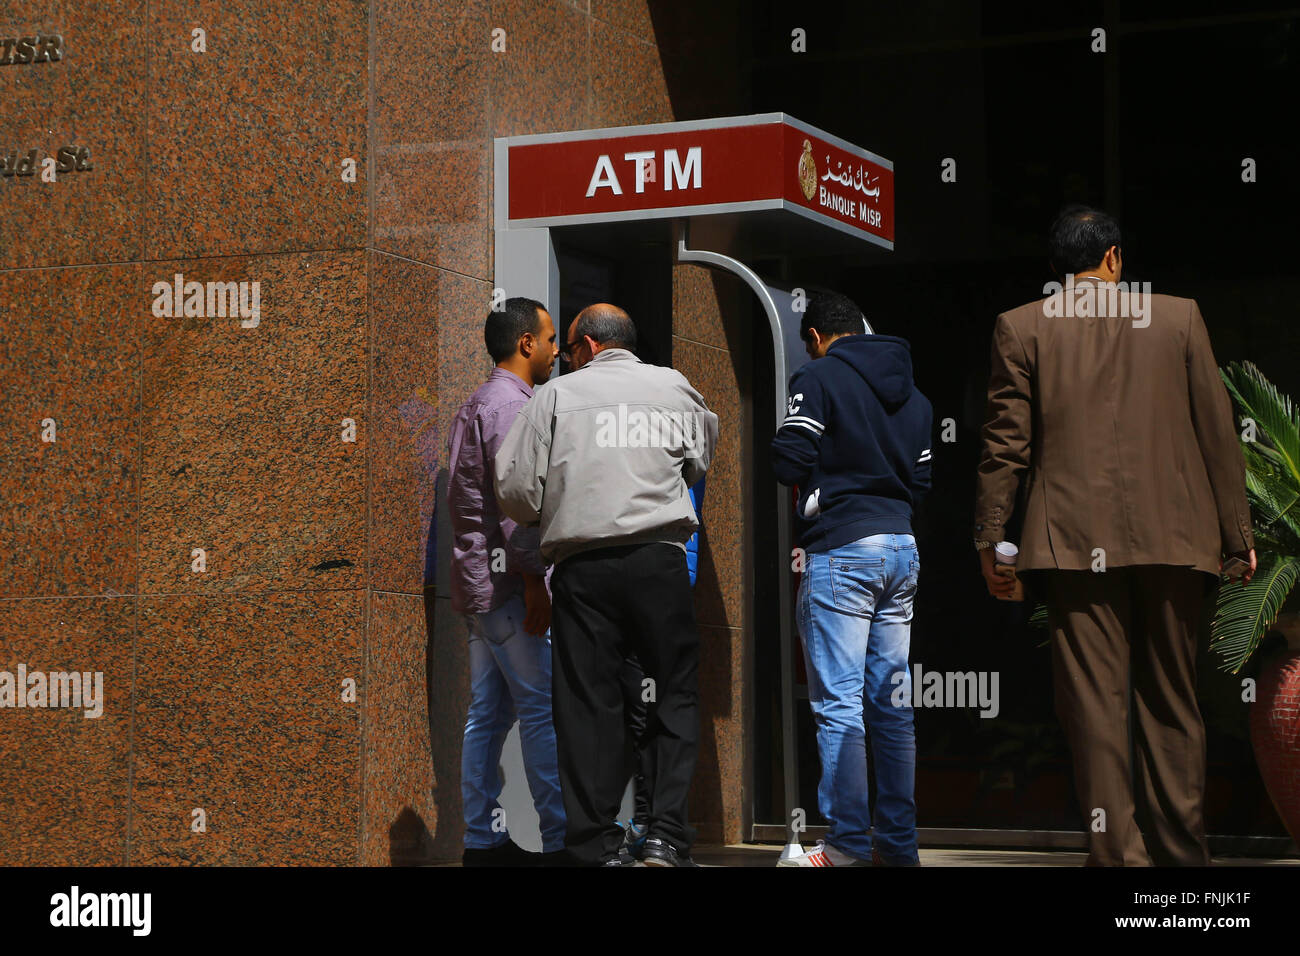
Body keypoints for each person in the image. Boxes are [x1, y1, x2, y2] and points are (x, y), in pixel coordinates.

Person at [974, 205, 1255, 866]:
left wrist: (992, 541)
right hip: (1176, 539)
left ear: (1058, 269)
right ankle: (1183, 868)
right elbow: (1218, 433)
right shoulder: (1179, 317)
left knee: (1095, 716)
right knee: (1173, 707)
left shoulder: (1021, 326)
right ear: (1114, 259)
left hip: (1071, 545)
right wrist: (1237, 534)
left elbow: (1003, 449)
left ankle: (1120, 864)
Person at [494, 303, 719, 867]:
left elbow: (516, 488)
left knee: (586, 706)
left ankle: (595, 846)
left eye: (569, 351)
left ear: (588, 348)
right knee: (674, 693)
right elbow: (700, 460)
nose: (567, 361)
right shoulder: (672, 386)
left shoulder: (554, 398)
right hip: (659, 562)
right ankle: (666, 837)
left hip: (584, 567)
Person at [771, 291, 933, 867]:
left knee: (840, 705)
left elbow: (788, 460)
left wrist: (816, 484)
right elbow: (921, 484)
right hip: (901, 546)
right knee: (892, 704)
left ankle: (842, 845)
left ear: (814, 337)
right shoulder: (914, 395)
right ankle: (897, 847)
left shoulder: (816, 378)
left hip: (842, 548)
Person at [447, 296, 565, 866]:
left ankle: (482, 840)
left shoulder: (478, 402)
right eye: (547, 340)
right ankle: (563, 838)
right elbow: (516, 504)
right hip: (510, 588)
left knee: (487, 716)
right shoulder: (512, 408)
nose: (554, 349)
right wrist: (535, 581)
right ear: (526, 344)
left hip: (479, 586)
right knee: (542, 709)